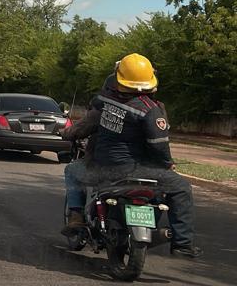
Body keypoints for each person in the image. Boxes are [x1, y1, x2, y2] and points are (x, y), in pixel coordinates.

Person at [61, 53, 201, 258]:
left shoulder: (104, 103)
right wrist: (167, 164)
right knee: (181, 188)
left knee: (72, 170)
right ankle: (183, 243)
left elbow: (82, 128)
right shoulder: (153, 109)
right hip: (141, 170)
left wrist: (66, 133)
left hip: (103, 168)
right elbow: (159, 145)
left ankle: (76, 217)